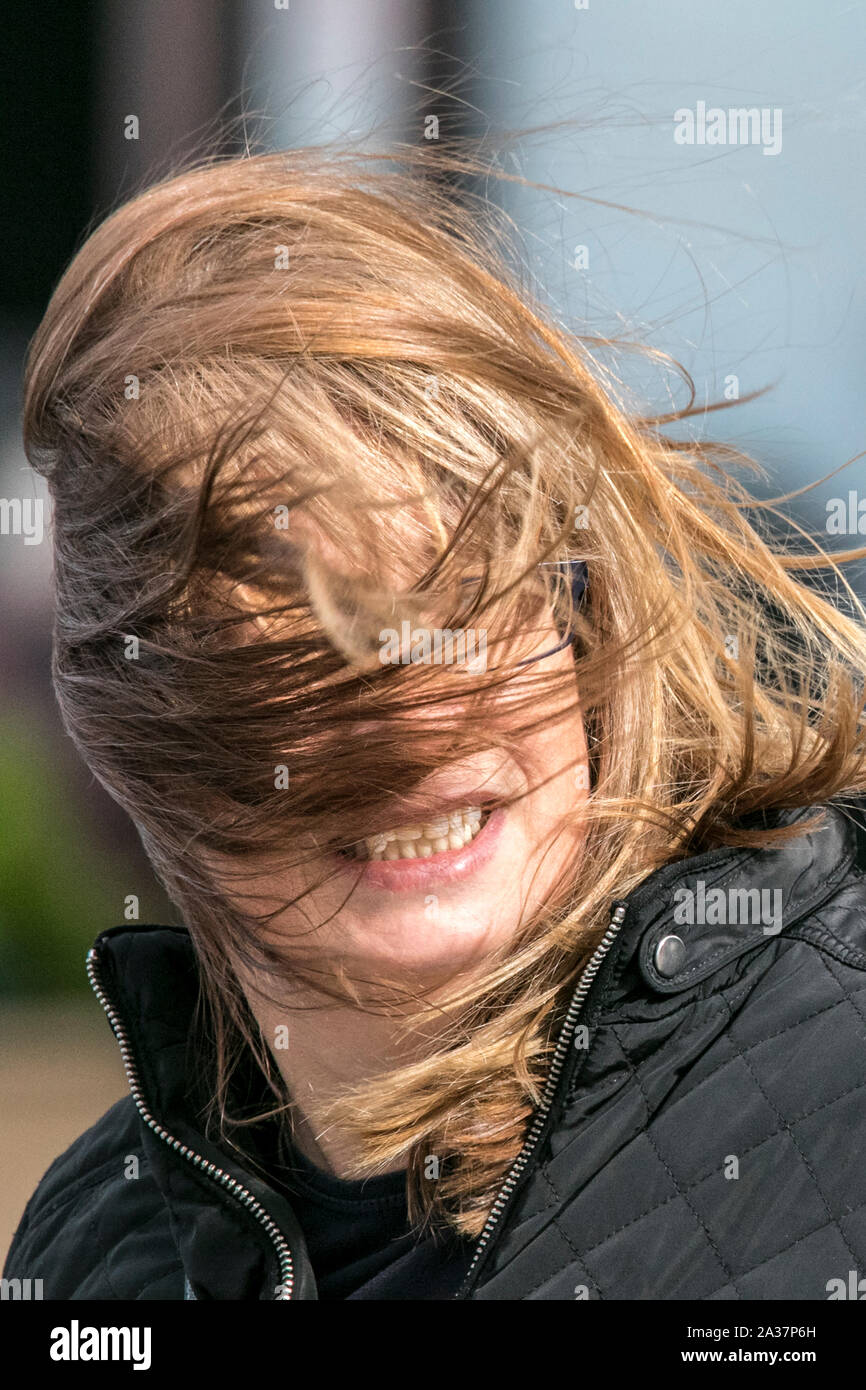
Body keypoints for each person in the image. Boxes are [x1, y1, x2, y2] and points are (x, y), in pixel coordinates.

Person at [6, 146, 866, 1301]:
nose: (416, 740)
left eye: (468, 613)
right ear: (144, 743)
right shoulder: (98, 1246)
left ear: (582, 616)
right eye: (301, 677)